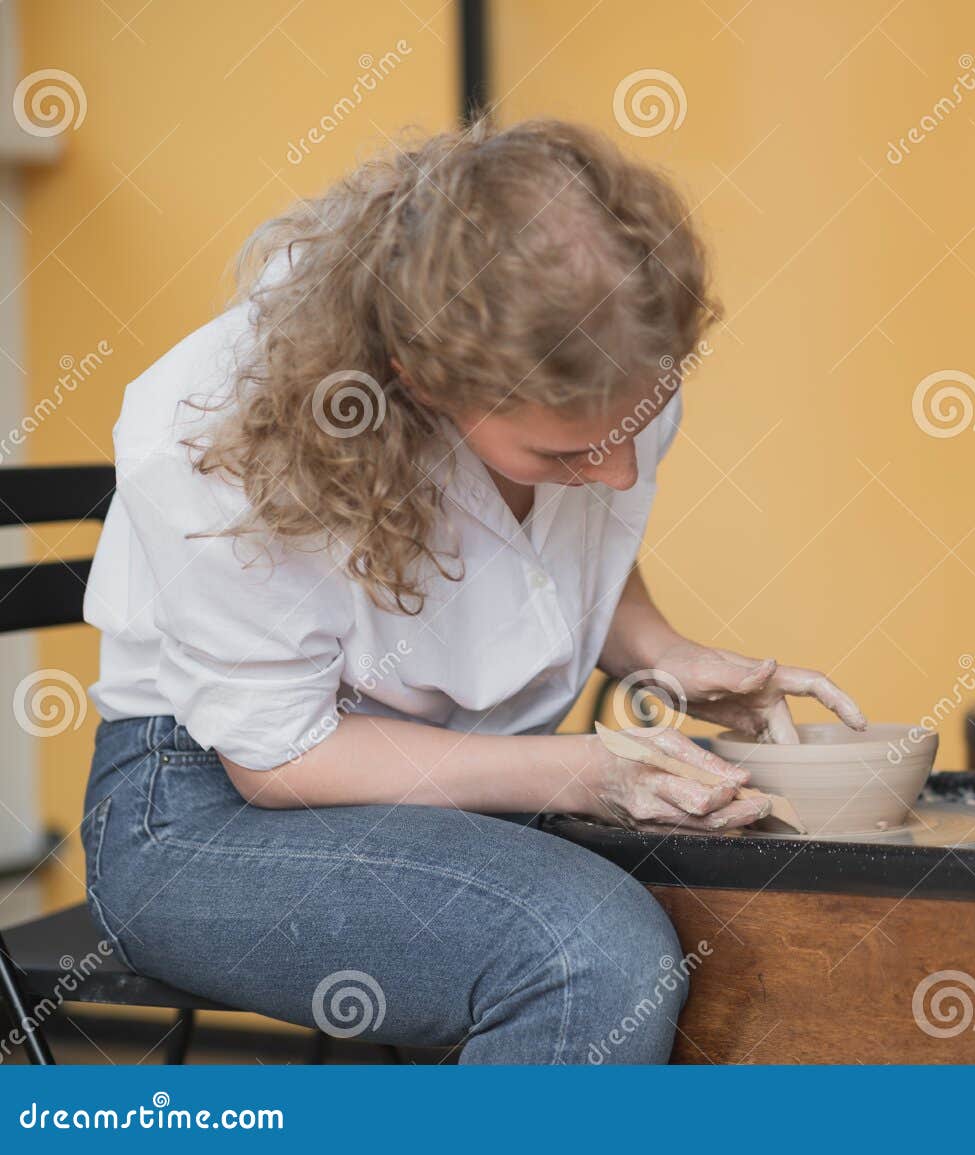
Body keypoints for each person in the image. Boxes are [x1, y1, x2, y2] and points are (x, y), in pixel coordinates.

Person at [78, 119, 864, 1063]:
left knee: (747, 901)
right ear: (421, 382)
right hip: (202, 803)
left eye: (634, 427)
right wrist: (587, 774)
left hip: (454, 763)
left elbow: (558, 544)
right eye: (563, 451)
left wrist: (660, 649)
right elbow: (278, 758)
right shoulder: (225, 433)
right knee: (588, 954)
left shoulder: (619, 354)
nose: (616, 474)